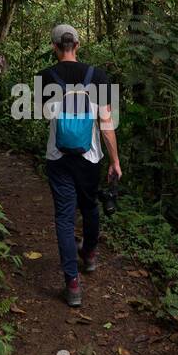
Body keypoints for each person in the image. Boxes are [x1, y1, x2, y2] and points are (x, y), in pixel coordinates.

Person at [41, 23, 121, 307]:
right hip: (90, 157)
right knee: (89, 207)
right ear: (78, 45)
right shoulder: (97, 76)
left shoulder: (45, 77)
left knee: (64, 218)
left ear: (54, 47)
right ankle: (88, 255)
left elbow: (46, 115)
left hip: (58, 157)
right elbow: (106, 123)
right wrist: (115, 160)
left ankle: (72, 284)